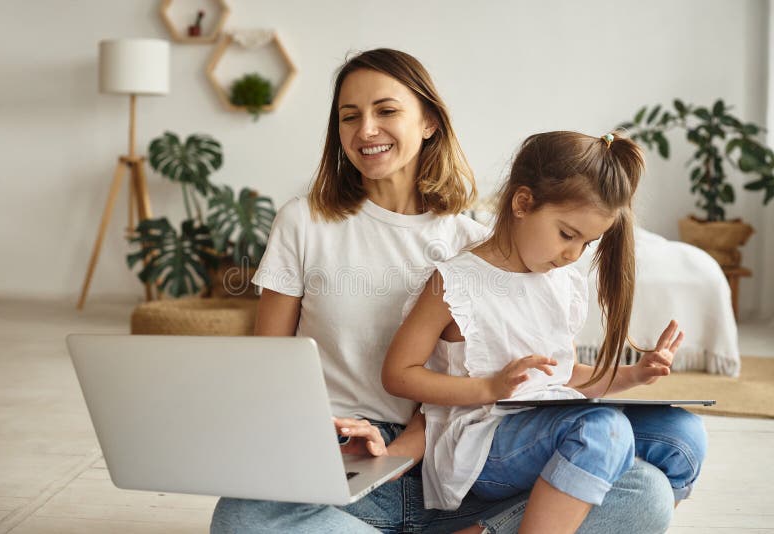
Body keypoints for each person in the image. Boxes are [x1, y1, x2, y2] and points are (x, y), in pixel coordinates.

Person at [211, 51, 676, 533]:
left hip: (450, 464)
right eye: (350, 116)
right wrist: (316, 431)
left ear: (430, 121)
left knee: (646, 494)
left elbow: (513, 382)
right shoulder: (304, 222)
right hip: (341, 449)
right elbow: (268, 366)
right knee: (242, 518)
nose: (366, 129)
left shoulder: (476, 245)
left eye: (386, 111)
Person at [382, 131, 708, 533]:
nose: (573, 254)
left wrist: (634, 375)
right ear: (522, 203)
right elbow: (398, 373)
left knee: (683, 436)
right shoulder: (454, 282)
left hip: (546, 428)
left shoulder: (561, 282)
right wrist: (487, 389)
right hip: (479, 442)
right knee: (602, 431)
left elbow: (563, 376)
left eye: (586, 243)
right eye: (567, 234)